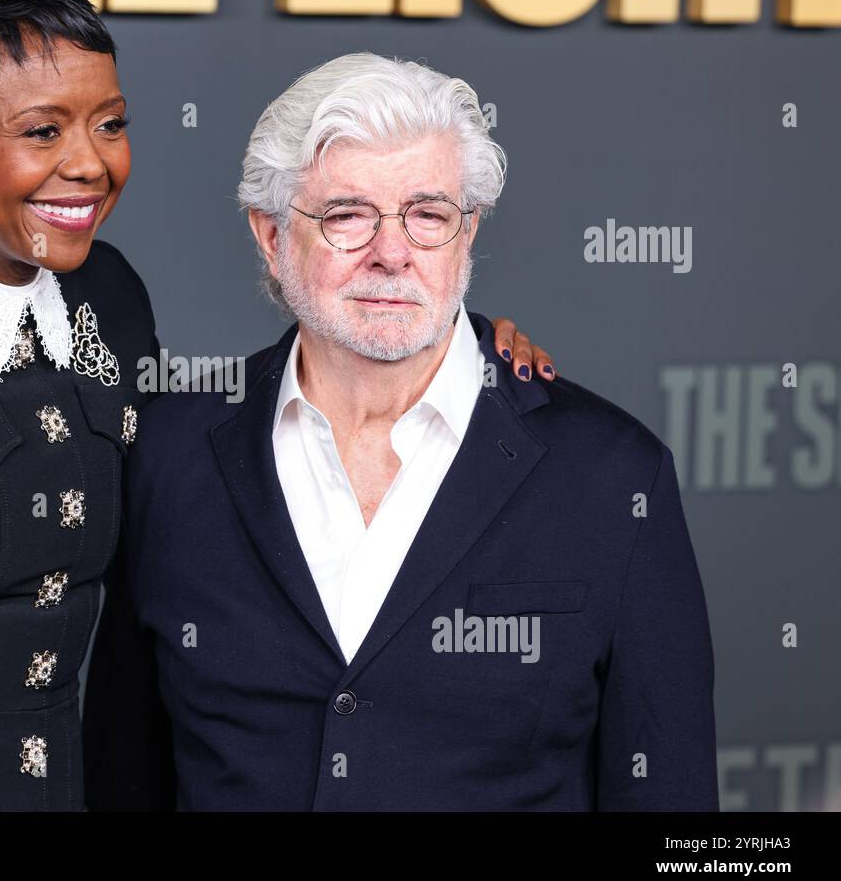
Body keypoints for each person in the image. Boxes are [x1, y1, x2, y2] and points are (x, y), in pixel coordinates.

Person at [0, 0, 548, 811]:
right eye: (42, 132)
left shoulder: (107, 295)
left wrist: (448, 346)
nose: (90, 164)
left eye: (109, 123)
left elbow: (221, 436)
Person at [83, 53, 718, 811]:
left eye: (428, 213)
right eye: (347, 215)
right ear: (272, 237)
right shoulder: (169, 452)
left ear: (467, 231)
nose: (393, 251)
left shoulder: (613, 477)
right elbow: (122, 773)